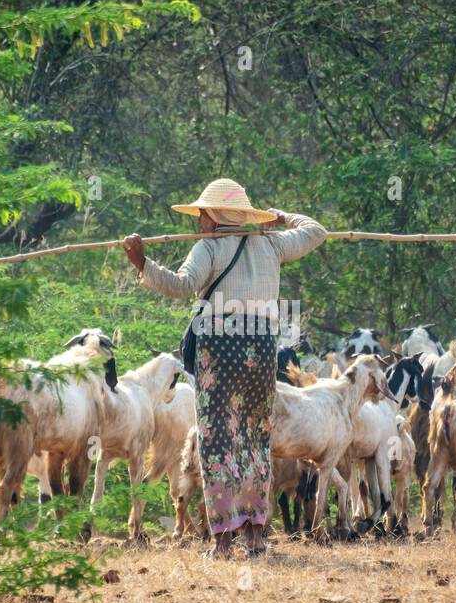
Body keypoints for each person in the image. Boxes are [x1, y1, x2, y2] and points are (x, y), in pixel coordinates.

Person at [122, 179, 326, 557]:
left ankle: (223, 538)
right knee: (254, 442)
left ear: (215, 216)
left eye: (203, 213)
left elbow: (182, 285)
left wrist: (142, 263)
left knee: (218, 442)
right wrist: (282, 217)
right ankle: (256, 536)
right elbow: (316, 231)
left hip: (219, 354)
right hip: (262, 354)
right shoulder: (273, 244)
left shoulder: (210, 247)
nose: (198, 220)